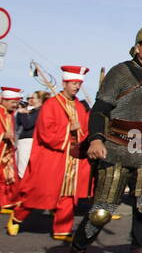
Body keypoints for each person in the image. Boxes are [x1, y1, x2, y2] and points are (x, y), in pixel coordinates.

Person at [60, 16, 142, 253]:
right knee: (101, 211)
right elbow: (100, 109)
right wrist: (97, 139)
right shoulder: (119, 72)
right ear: (137, 47)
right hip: (118, 147)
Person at [16, 66, 92, 240]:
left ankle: (62, 229)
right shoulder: (51, 104)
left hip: (72, 158)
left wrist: (81, 133)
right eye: (73, 83)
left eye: (79, 84)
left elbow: (85, 131)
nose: (76, 87)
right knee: (41, 192)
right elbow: (45, 132)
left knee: (68, 193)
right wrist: (68, 129)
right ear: (65, 83)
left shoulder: (80, 107)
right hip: (53, 156)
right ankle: (18, 216)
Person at [0, 87, 23, 225]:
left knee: (7, 179)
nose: (14, 105)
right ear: (3, 100)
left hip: (6, 151)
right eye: (12, 102)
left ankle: (6, 203)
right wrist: (1, 136)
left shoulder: (10, 115)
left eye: (16, 102)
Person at [14, 91, 44, 177]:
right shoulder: (33, 111)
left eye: (32, 98)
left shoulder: (39, 111)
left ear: (39, 100)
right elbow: (19, 123)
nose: (30, 100)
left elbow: (28, 125)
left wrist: (23, 113)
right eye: (28, 98)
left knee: (23, 169)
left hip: (28, 141)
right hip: (22, 141)